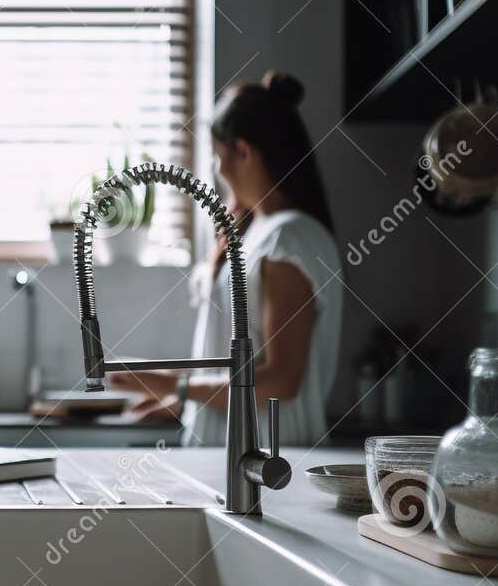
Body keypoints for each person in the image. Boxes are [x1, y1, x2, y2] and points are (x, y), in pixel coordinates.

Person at [110, 71, 343, 447]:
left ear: (244, 152)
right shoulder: (258, 232)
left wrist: (173, 382)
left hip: (270, 454)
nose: (217, 172)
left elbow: (282, 380)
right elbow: (232, 360)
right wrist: (178, 400)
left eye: (218, 158)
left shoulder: (289, 238)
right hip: (227, 451)